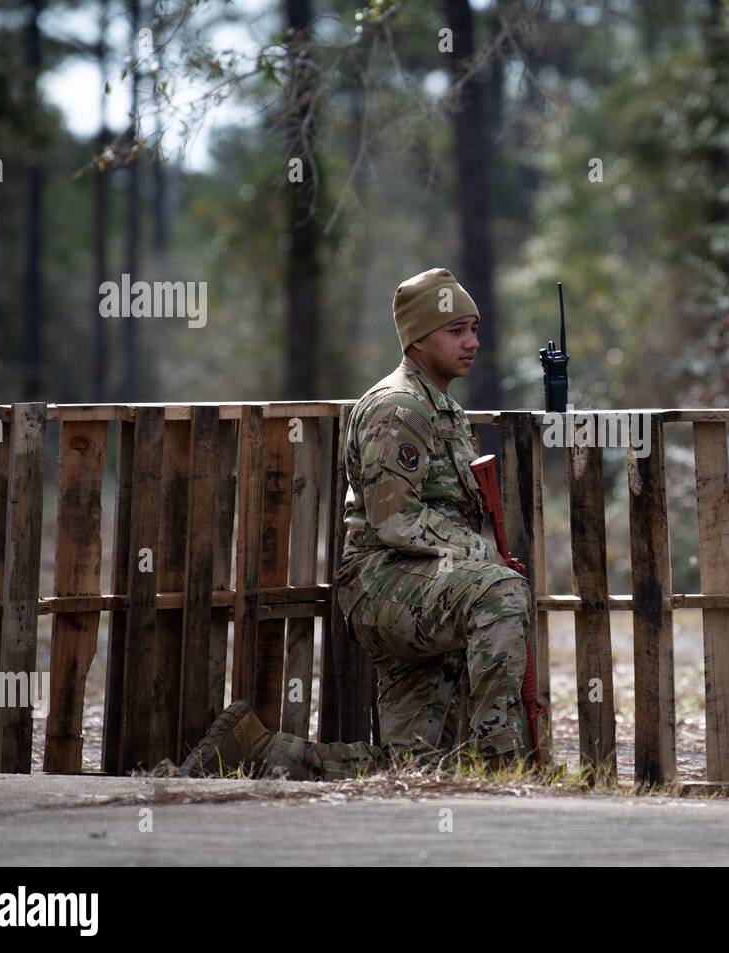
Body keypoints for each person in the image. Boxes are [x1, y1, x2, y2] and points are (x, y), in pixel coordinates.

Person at [179, 267, 534, 780]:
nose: (472, 342)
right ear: (416, 339)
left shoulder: (443, 410)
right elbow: (394, 520)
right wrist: (482, 556)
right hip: (385, 584)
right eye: (456, 330)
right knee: (502, 592)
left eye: (474, 328)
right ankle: (500, 766)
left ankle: (253, 753)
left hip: (426, 586)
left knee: (414, 766)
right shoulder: (399, 407)